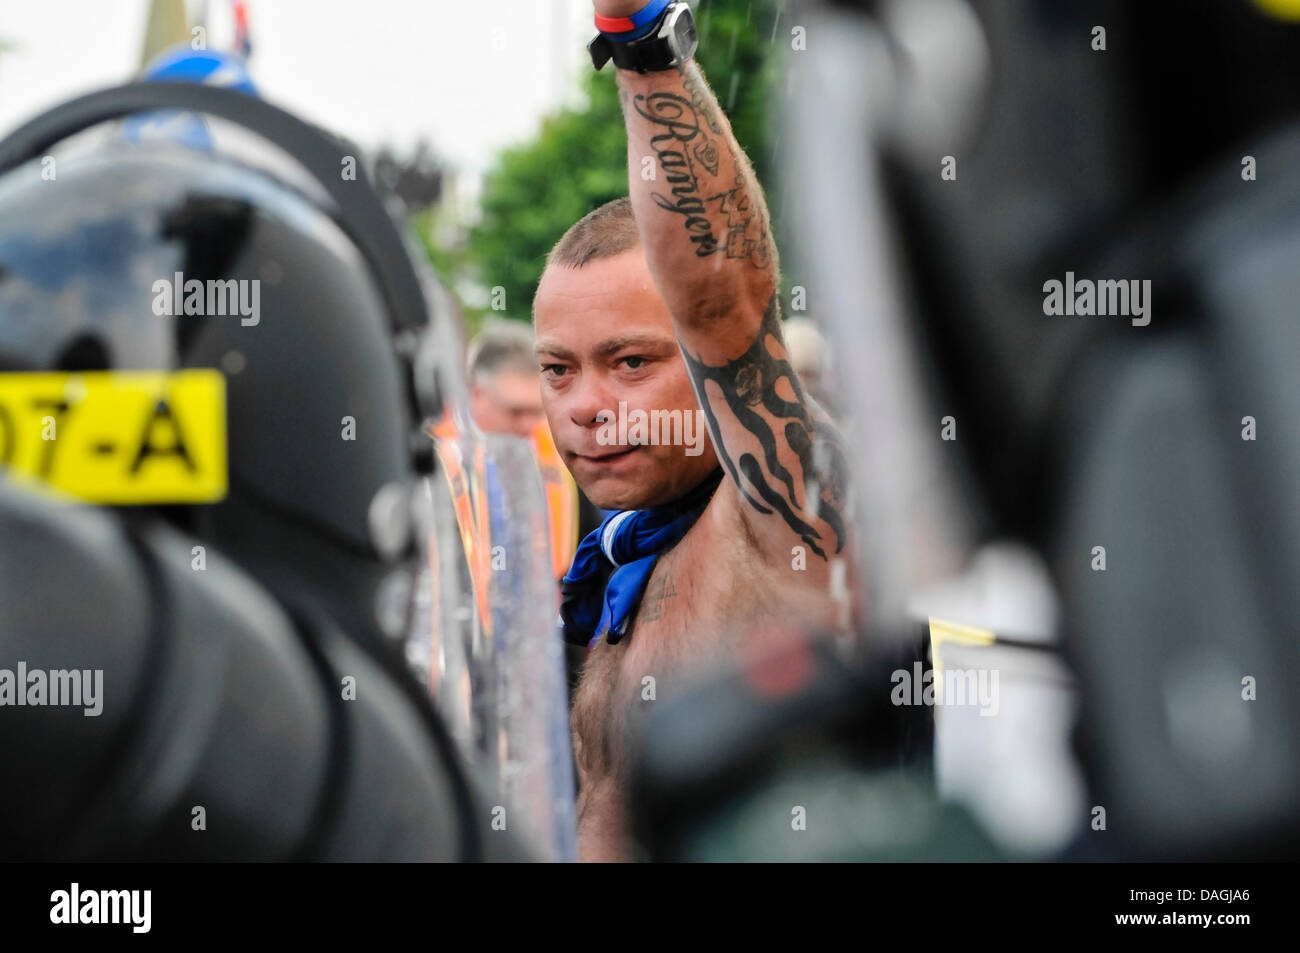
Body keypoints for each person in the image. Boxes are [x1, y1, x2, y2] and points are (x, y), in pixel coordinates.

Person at [533, 0, 852, 861]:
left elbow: (724, 306)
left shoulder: (781, 516)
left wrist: (642, 46)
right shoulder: (608, 553)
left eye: (630, 361)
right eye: (558, 369)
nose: (586, 404)